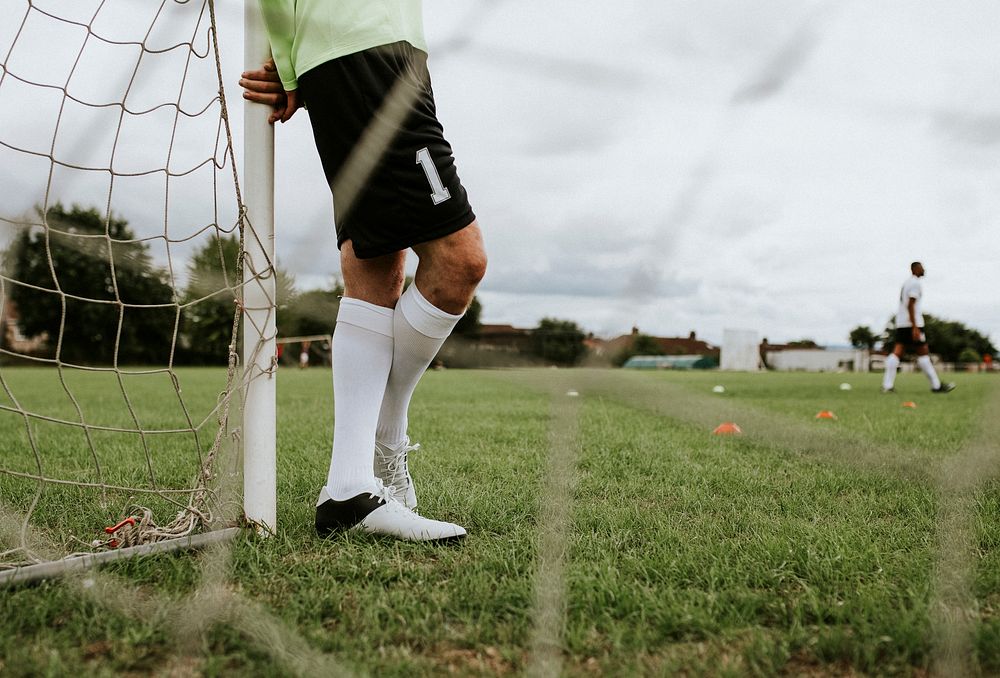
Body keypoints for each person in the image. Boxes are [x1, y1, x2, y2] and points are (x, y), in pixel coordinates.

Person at [242, 1, 486, 542]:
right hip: (356, 44)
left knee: (377, 259)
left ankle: (350, 487)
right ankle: (378, 447)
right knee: (458, 259)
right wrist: (287, 61)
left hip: (386, 47)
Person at [881, 262, 955, 394]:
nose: (924, 269)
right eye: (921, 267)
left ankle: (887, 386)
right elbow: (910, 305)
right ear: (914, 269)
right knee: (923, 352)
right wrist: (914, 326)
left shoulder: (907, 283)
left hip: (902, 322)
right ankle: (936, 386)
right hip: (912, 324)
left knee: (898, 351)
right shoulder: (915, 283)